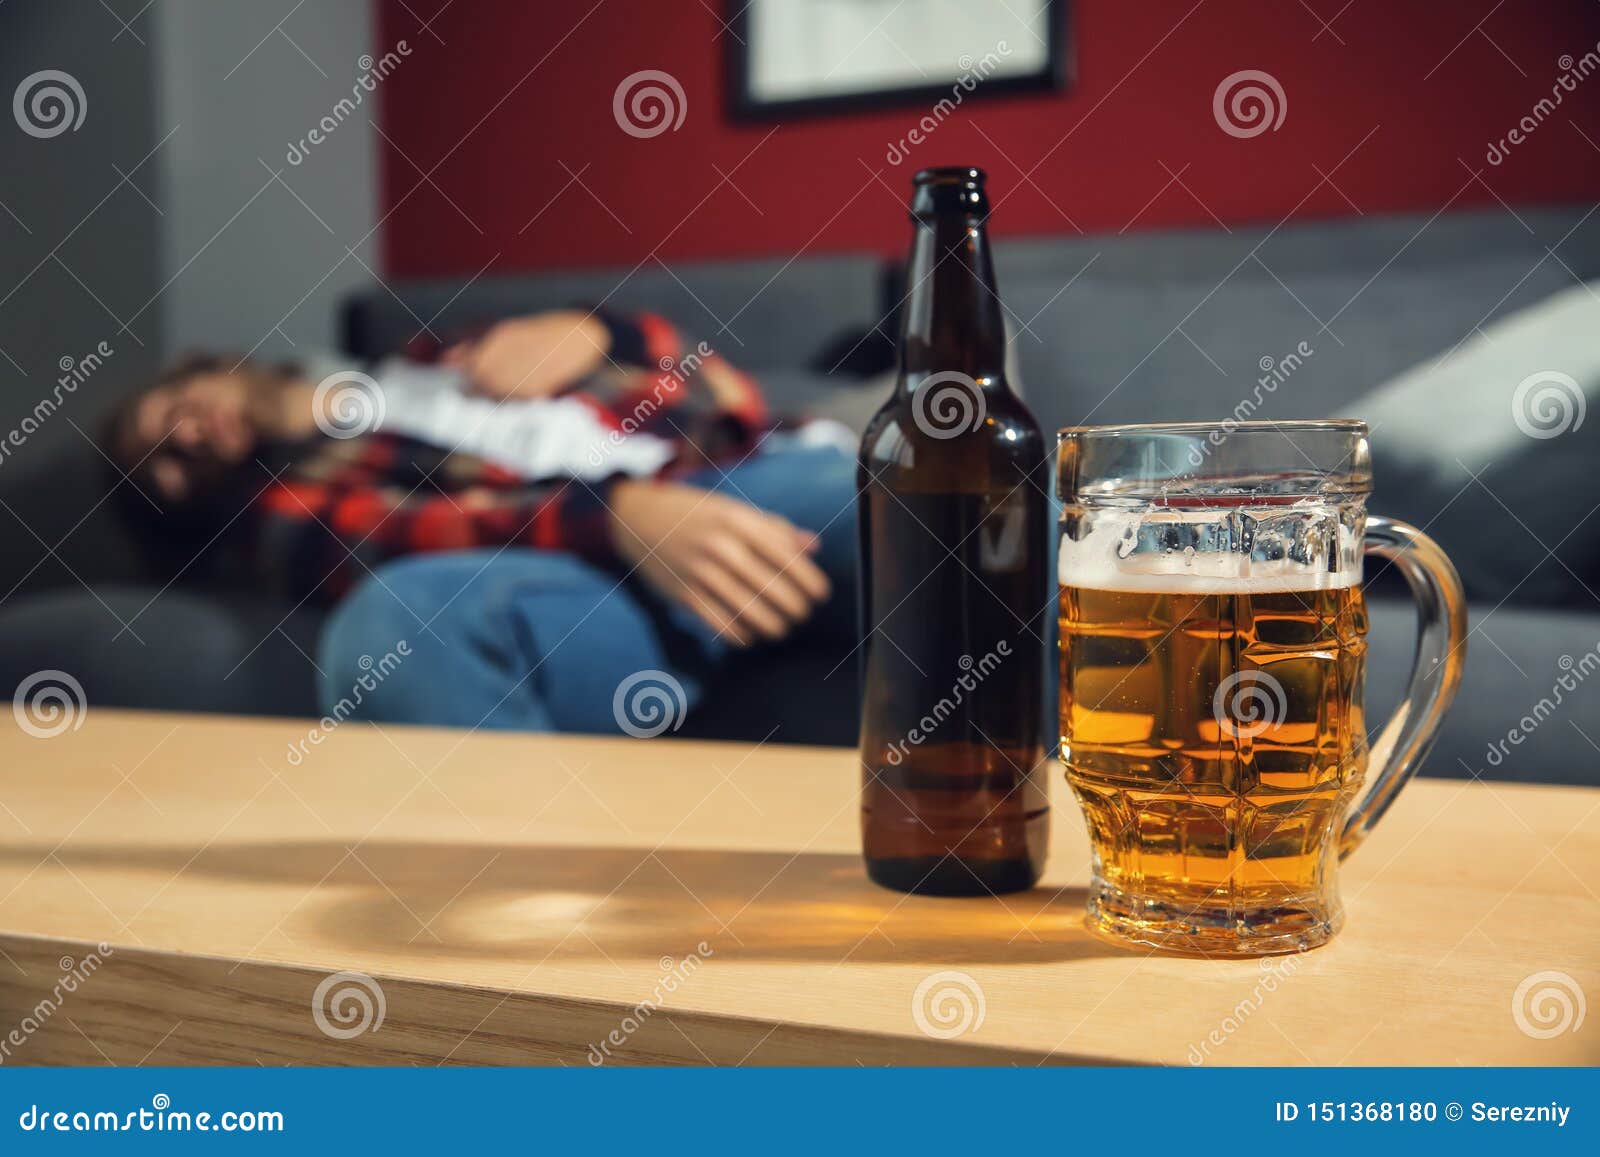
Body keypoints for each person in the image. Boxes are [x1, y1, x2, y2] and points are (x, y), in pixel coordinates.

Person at [104, 308, 858, 733]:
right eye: (165, 463)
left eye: (169, 414)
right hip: (595, 577)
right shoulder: (277, 510)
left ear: (203, 368)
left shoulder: (430, 357)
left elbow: (726, 394)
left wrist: (600, 334)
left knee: (896, 495)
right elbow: (415, 535)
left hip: (750, 473)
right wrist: (621, 516)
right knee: (393, 626)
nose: (186, 437)